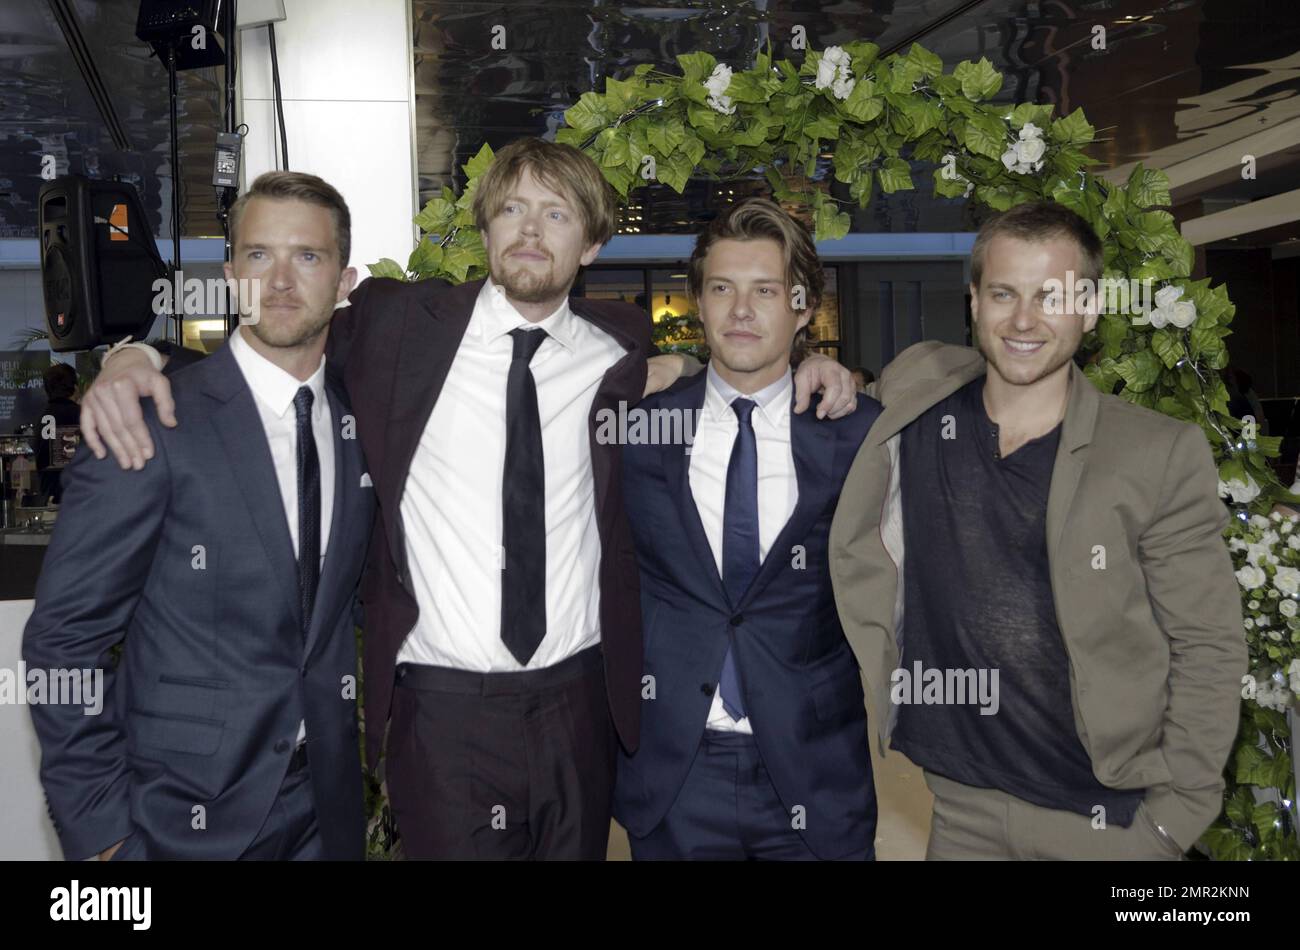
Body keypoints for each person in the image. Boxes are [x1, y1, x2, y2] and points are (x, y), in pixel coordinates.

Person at [77, 139, 858, 859]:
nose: (529, 229)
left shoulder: (620, 346)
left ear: (589, 246)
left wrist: (817, 369)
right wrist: (134, 354)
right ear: (486, 230)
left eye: (556, 214)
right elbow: (280, 333)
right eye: (512, 208)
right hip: (440, 714)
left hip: (579, 705)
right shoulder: (396, 326)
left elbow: (719, 371)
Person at [829, 200, 1246, 860]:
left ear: (1089, 307)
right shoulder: (917, 392)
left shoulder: (1155, 452)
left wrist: (1177, 814)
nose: (1024, 320)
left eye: (1051, 296)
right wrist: (681, 369)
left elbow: (1209, 642)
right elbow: (818, 397)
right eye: (1003, 294)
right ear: (973, 302)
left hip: (1108, 820)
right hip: (960, 806)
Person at [24, 171, 374, 860]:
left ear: (344, 281)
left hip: (324, 813)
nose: (279, 281)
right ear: (229, 274)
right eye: (257, 255)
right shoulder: (148, 421)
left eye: (307, 257)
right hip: (176, 817)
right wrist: (104, 833)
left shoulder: (364, 416)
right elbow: (61, 645)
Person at [615, 198, 880, 860]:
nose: (740, 310)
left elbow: (976, 382)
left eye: (765, 290)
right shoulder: (637, 428)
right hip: (675, 775)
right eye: (722, 289)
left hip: (814, 773)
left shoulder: (857, 431)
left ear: (802, 307)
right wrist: (656, 367)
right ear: (697, 304)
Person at [34, 362, 79, 503]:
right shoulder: (80, 414)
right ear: (74, 387)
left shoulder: (43, 417)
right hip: (75, 495)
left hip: (47, 494)